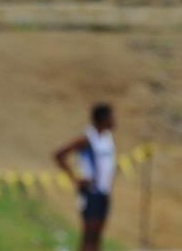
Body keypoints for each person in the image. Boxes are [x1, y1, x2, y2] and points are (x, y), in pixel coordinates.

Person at [53, 102, 117, 251]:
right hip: (91, 193)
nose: (115, 120)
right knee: (89, 235)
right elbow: (59, 155)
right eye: (112, 117)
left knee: (98, 236)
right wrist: (75, 178)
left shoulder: (107, 139)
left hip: (103, 192)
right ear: (103, 118)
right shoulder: (88, 139)